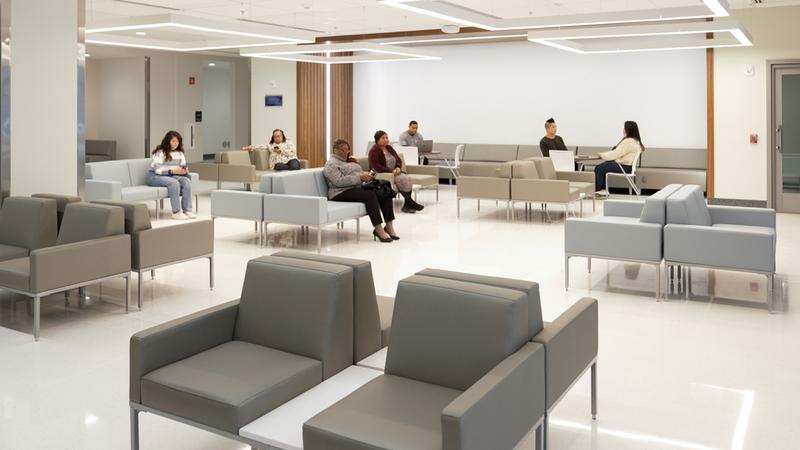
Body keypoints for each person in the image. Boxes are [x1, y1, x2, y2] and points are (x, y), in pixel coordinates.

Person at [324, 139, 398, 243]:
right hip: (339, 192)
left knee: (384, 190)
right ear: (335, 150)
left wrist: (367, 176)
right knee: (370, 195)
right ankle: (378, 229)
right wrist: (360, 178)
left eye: (348, 149)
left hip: (357, 187)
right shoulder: (331, 164)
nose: (346, 152)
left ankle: (389, 227)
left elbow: (359, 174)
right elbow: (338, 181)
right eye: (343, 150)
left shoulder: (348, 160)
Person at [369, 130, 424, 214]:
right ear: (377, 139)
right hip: (382, 173)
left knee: (408, 178)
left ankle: (407, 205)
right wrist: (391, 171)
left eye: (387, 137)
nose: (386, 139)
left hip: (394, 172)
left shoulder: (389, 148)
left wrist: (398, 167)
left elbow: (398, 159)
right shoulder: (374, 151)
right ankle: (411, 203)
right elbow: (376, 166)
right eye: (383, 138)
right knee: (402, 179)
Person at [147, 130, 195, 220]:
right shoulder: (160, 152)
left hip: (171, 175)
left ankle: (187, 210)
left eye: (177, 141)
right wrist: (172, 171)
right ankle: (176, 212)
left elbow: (183, 166)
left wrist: (184, 170)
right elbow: (157, 169)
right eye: (173, 141)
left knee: (187, 181)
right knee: (174, 183)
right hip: (155, 176)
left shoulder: (180, 153)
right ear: (167, 141)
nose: (176, 143)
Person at [594, 120, 644, 197]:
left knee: (599, 168)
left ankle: (597, 190)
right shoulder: (636, 141)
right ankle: (603, 190)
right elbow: (617, 152)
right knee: (603, 167)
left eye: (624, 128)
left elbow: (616, 153)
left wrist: (602, 155)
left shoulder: (628, 141)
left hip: (624, 167)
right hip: (628, 167)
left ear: (628, 129)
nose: (623, 129)